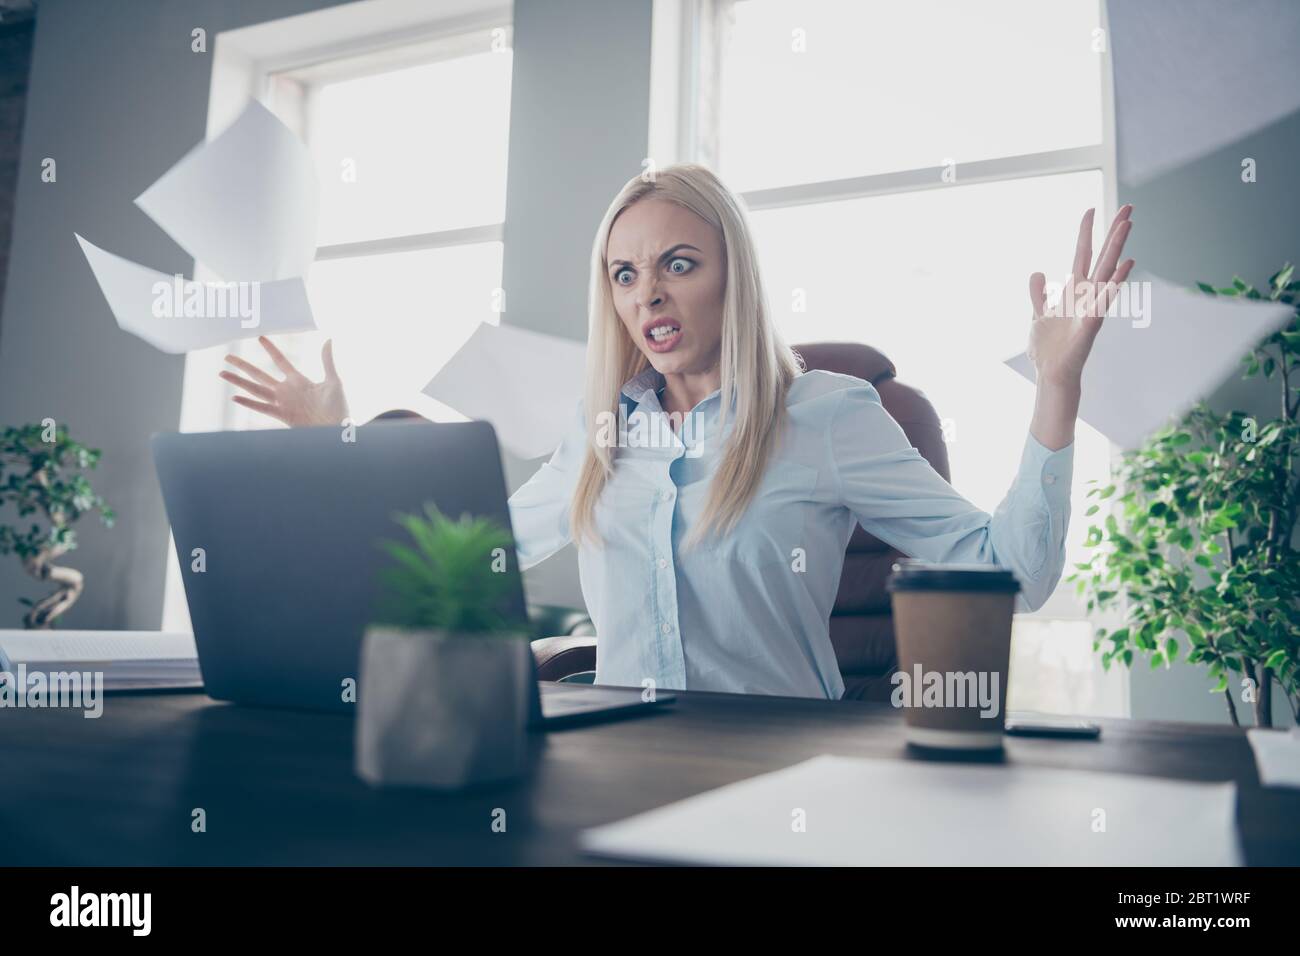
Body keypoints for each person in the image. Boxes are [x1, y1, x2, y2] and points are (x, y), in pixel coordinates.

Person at [220, 163, 1135, 699]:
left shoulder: (828, 415)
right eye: (623, 275)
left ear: (733, 273)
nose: (647, 292)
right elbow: (455, 557)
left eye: (677, 264)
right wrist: (329, 443)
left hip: (773, 777)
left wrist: (1058, 385)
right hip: (609, 765)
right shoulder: (598, 437)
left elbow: (1013, 576)